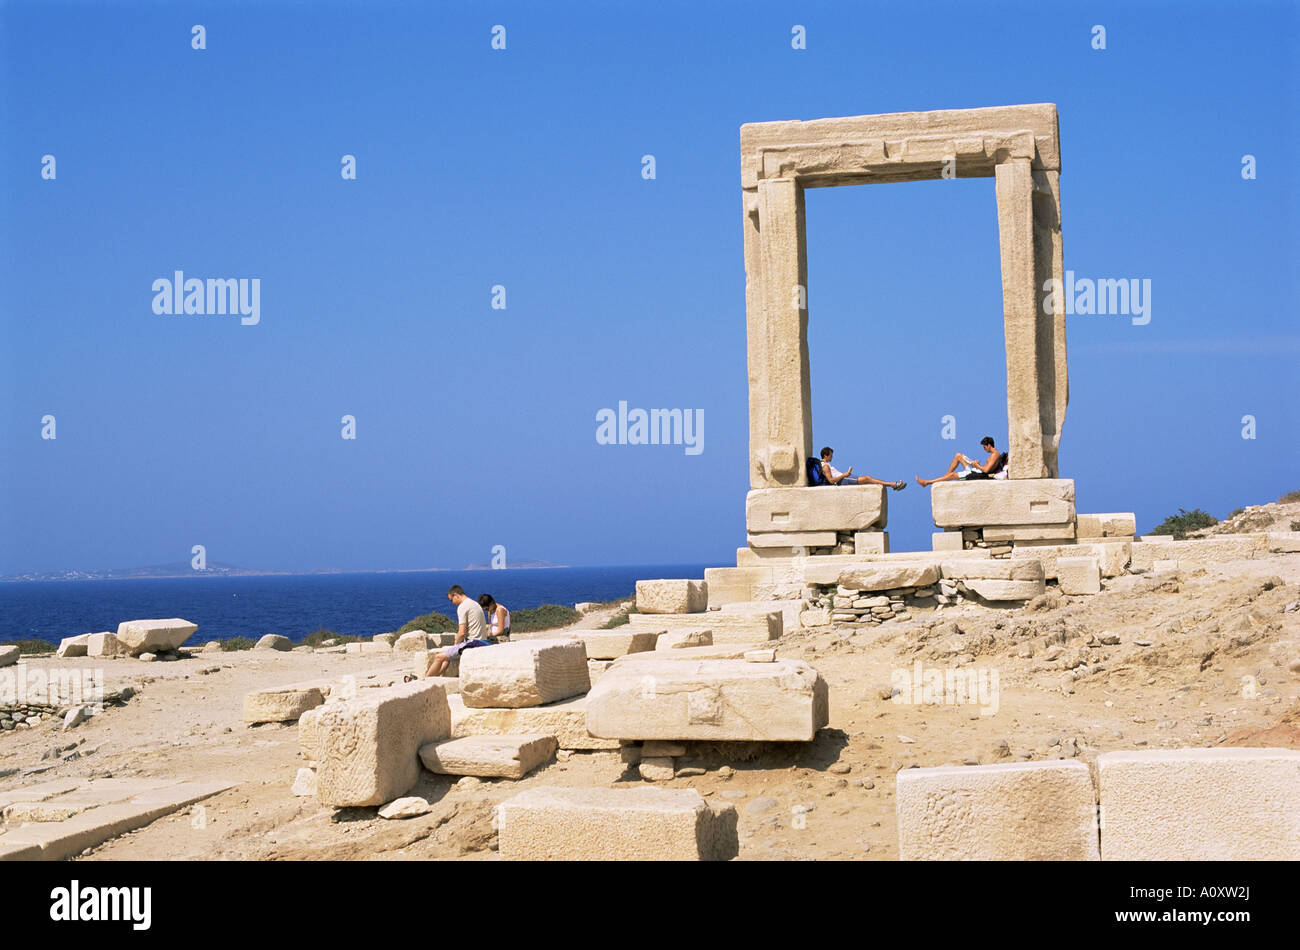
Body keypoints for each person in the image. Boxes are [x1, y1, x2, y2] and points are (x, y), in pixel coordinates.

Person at [416, 585, 491, 679]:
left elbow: (462, 632)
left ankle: (425, 680)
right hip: (483, 641)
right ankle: (435, 679)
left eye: (451, 600)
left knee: (438, 657)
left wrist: (455, 645)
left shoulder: (463, 606)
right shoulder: (474, 603)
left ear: (456, 595)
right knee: (447, 658)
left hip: (473, 643)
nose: (452, 603)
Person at [916, 436, 1008, 487]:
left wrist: (977, 465)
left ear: (989, 445)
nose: (984, 449)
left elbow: (986, 470)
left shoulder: (994, 455)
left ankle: (927, 482)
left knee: (952, 475)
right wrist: (976, 465)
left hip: (977, 475)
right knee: (958, 456)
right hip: (977, 471)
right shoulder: (994, 454)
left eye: (984, 447)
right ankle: (945, 478)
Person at [816, 446, 905, 491]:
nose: (832, 457)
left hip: (844, 479)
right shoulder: (825, 466)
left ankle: (892, 484)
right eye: (831, 455)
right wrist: (844, 474)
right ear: (825, 455)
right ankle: (893, 484)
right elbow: (831, 480)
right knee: (867, 478)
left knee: (867, 480)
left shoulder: (825, 465)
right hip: (844, 479)